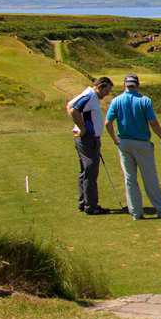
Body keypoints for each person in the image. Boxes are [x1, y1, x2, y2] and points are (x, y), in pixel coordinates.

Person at [104, 74, 161, 220]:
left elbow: (108, 123)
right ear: (137, 85)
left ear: (125, 85)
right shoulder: (144, 101)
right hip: (142, 144)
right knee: (150, 178)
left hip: (124, 143)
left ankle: (136, 213)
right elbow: (153, 123)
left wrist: (114, 139)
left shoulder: (116, 101)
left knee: (130, 179)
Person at [66, 76, 114, 215]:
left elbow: (69, 105)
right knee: (91, 172)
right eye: (107, 90)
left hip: (87, 138)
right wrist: (82, 128)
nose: (107, 94)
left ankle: (84, 202)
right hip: (88, 139)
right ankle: (91, 206)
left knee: (85, 172)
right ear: (100, 86)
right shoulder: (90, 95)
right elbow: (73, 110)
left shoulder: (88, 95)